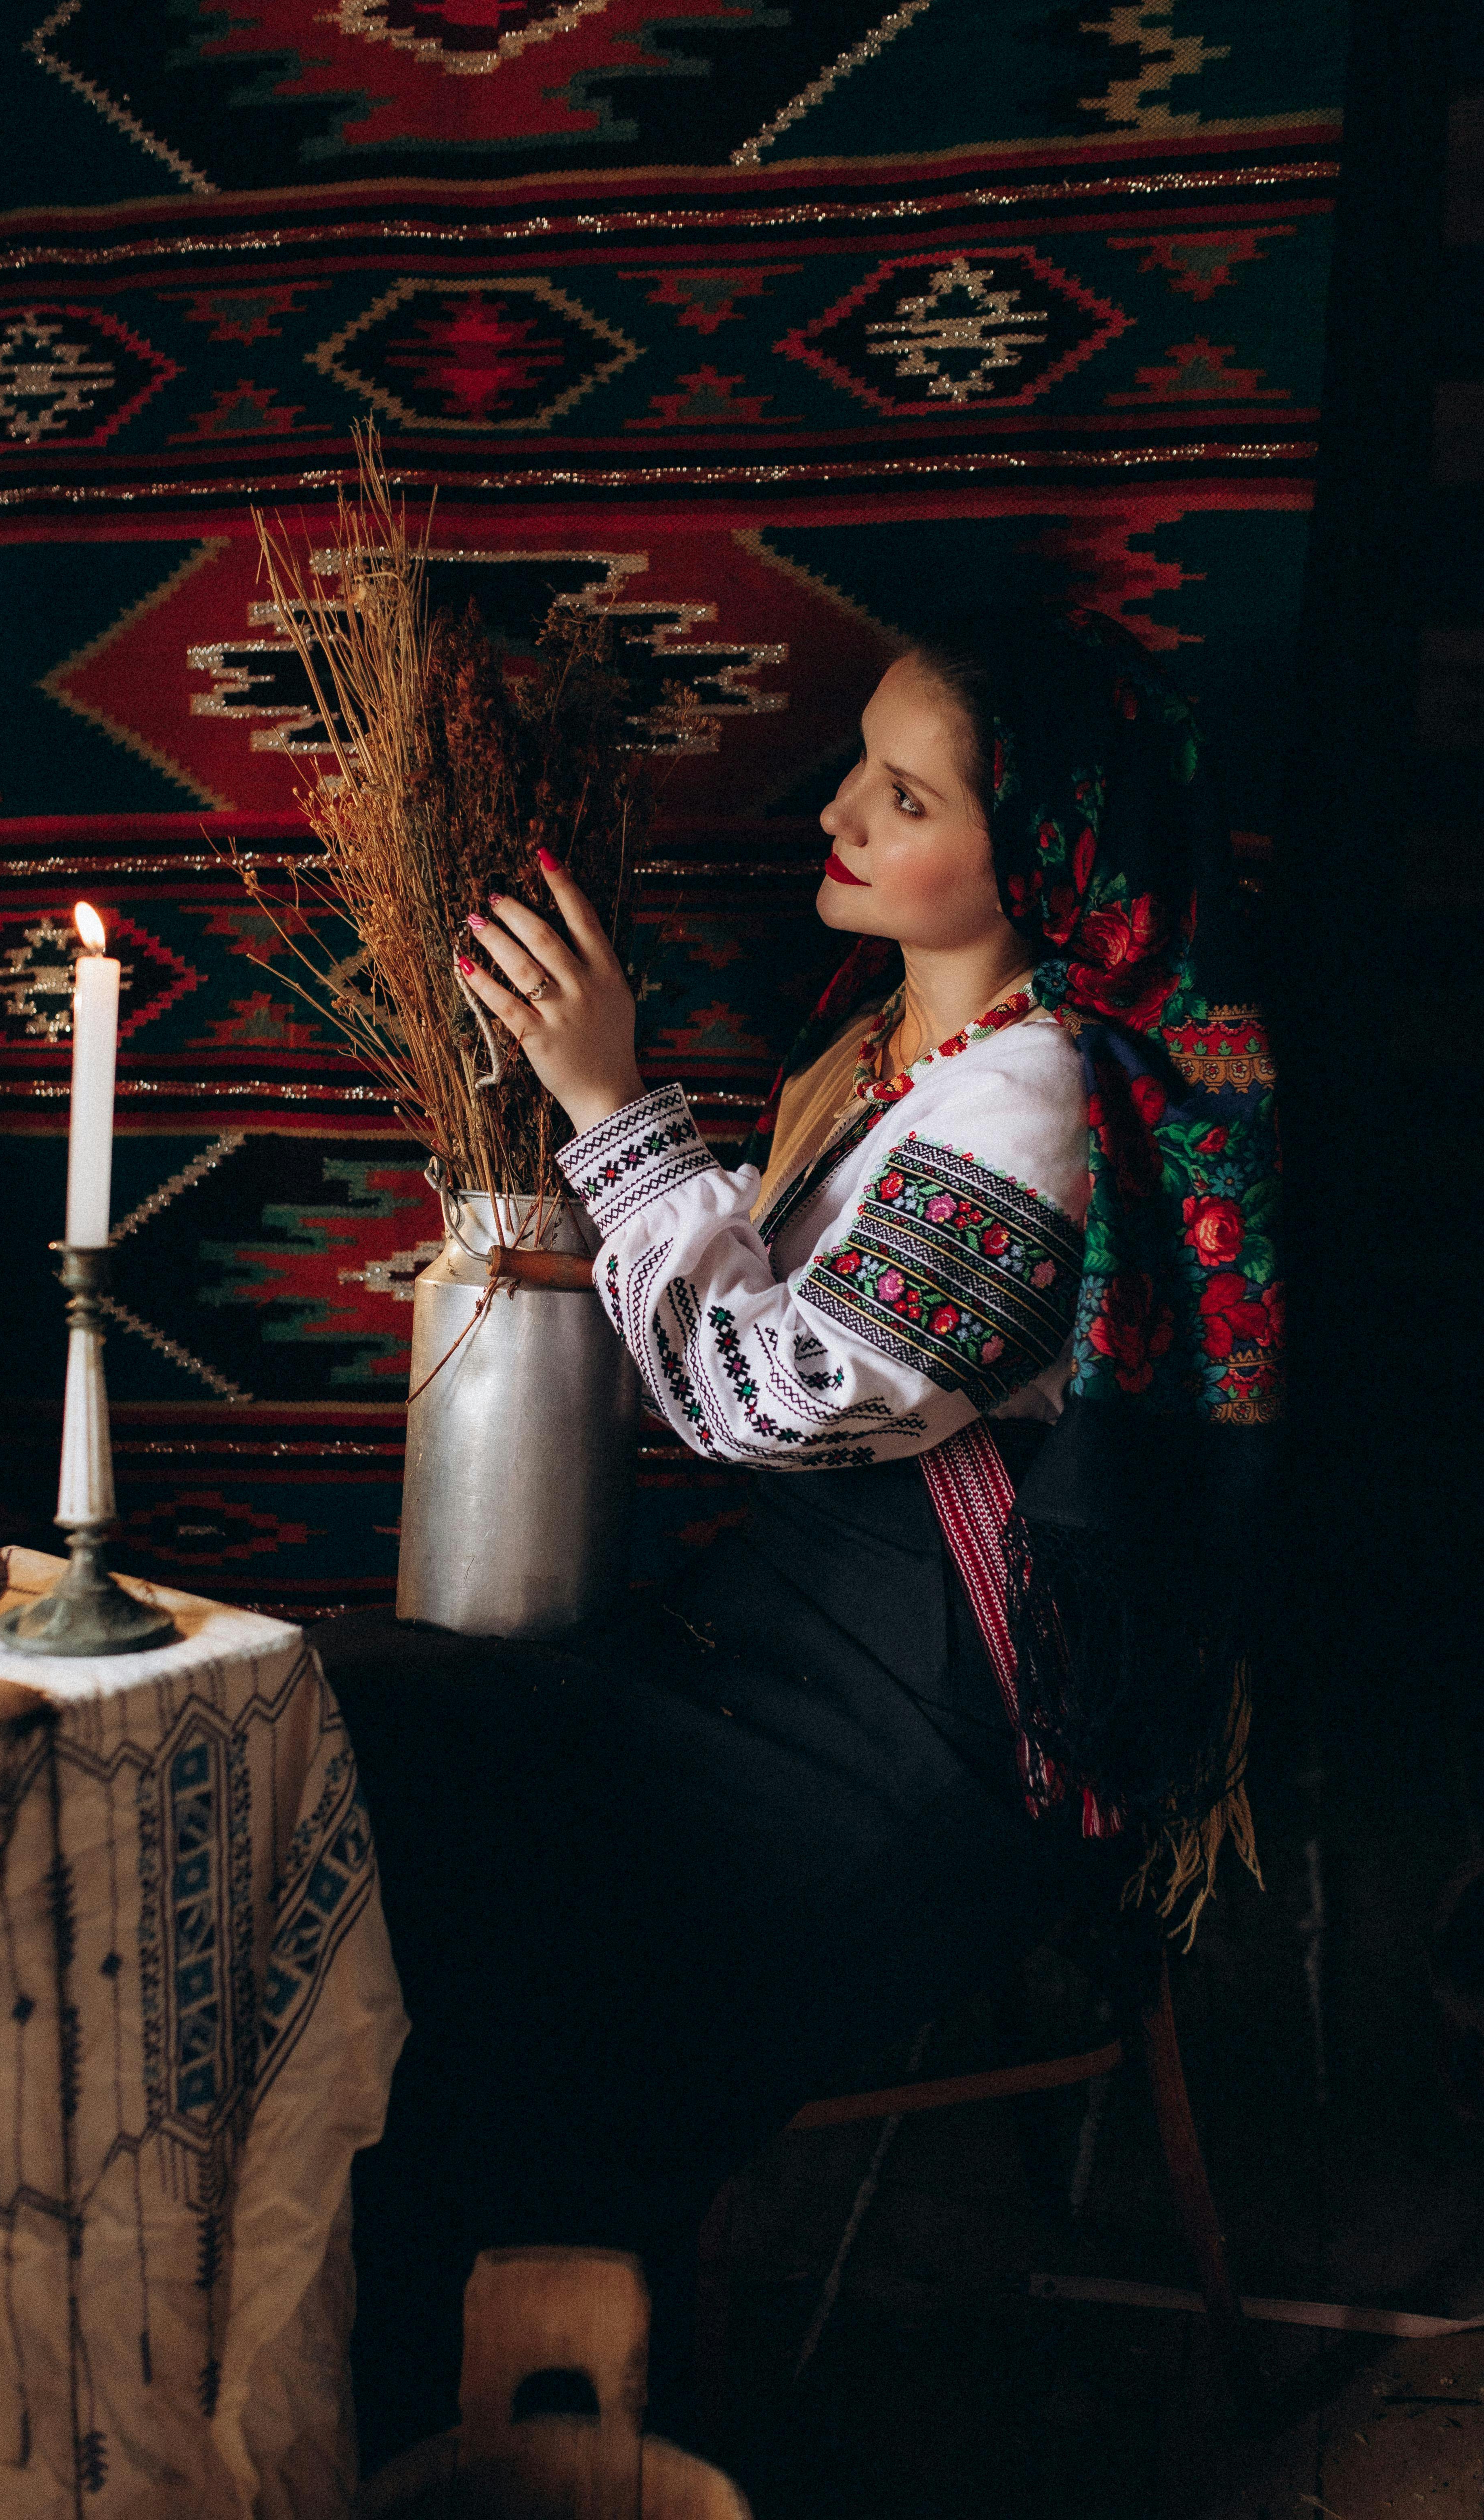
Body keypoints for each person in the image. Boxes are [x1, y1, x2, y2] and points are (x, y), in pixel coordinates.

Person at [326, 608, 1282, 2458]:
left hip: (931, 1739)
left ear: (1041, 870)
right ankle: (396, 2386)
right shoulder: (896, 1041)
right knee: (366, 1721)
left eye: (901, 795)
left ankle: (541, 2429)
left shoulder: (1039, 1107)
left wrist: (607, 1098)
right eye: (861, 755)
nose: (835, 809)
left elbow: (763, 1396)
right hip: (773, 1644)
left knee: (540, 1991)